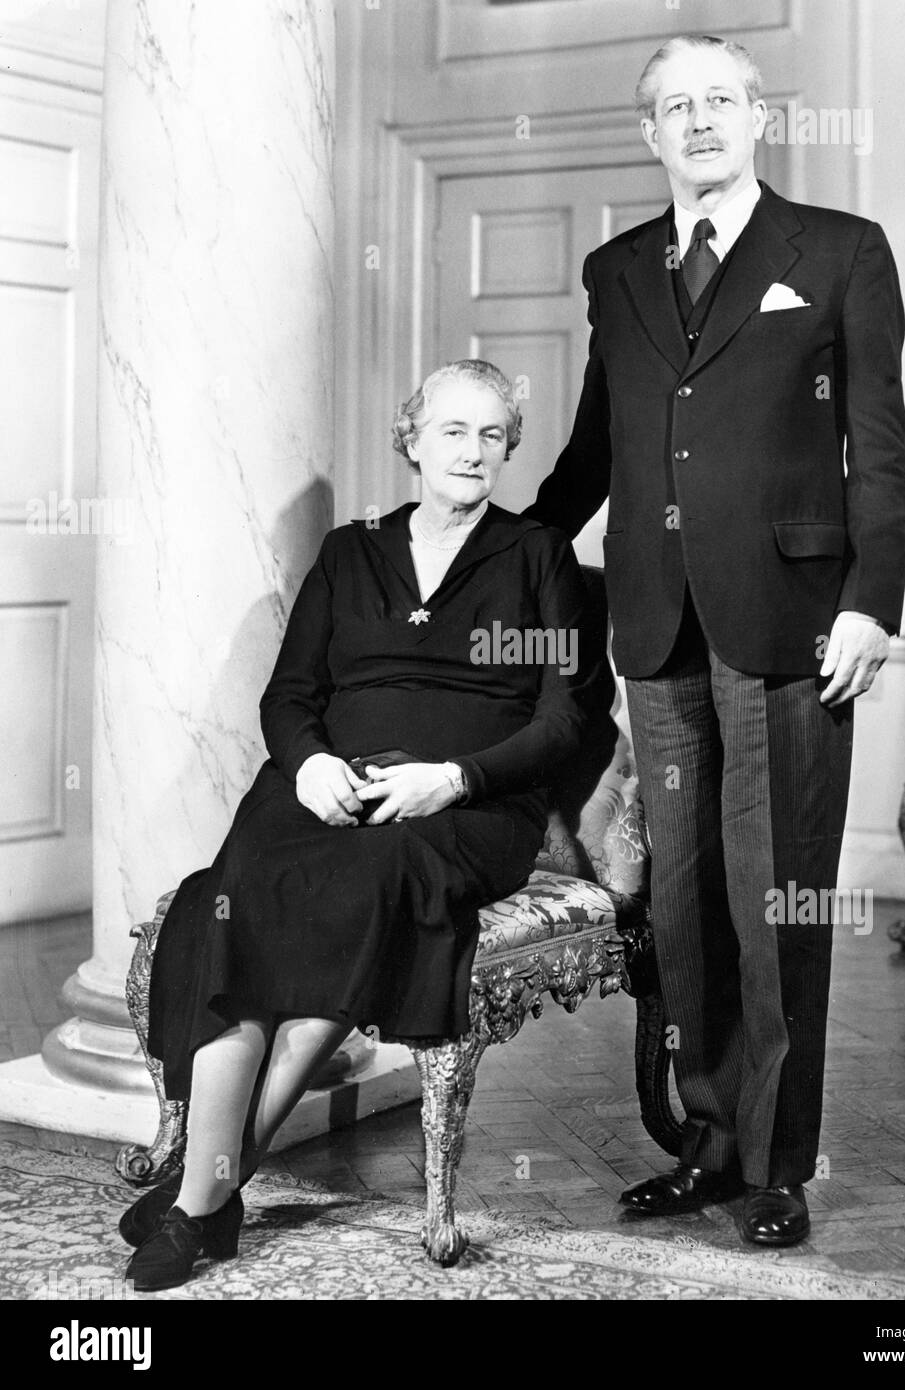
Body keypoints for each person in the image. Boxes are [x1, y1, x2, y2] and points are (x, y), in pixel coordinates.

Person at [525, 34, 905, 1246]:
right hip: (656, 621)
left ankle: (779, 1159)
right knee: (683, 902)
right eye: (673, 108)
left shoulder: (841, 250)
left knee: (775, 896)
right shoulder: (617, 269)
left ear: (757, 118)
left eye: (718, 102)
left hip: (795, 625)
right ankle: (707, 1135)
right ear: (650, 136)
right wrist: (499, 543)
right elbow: (600, 447)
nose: (697, 122)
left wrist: (871, 598)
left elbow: (877, 444)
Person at [120, 359, 608, 1291]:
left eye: (492, 435)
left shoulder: (536, 556)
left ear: (510, 448)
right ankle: (211, 1196)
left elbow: (563, 719)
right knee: (230, 903)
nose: (473, 451)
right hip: (321, 790)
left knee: (354, 894)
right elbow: (290, 693)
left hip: (463, 810)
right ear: (412, 439)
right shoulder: (352, 553)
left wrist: (452, 779)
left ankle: (197, 1201)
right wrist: (308, 765)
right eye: (453, 431)